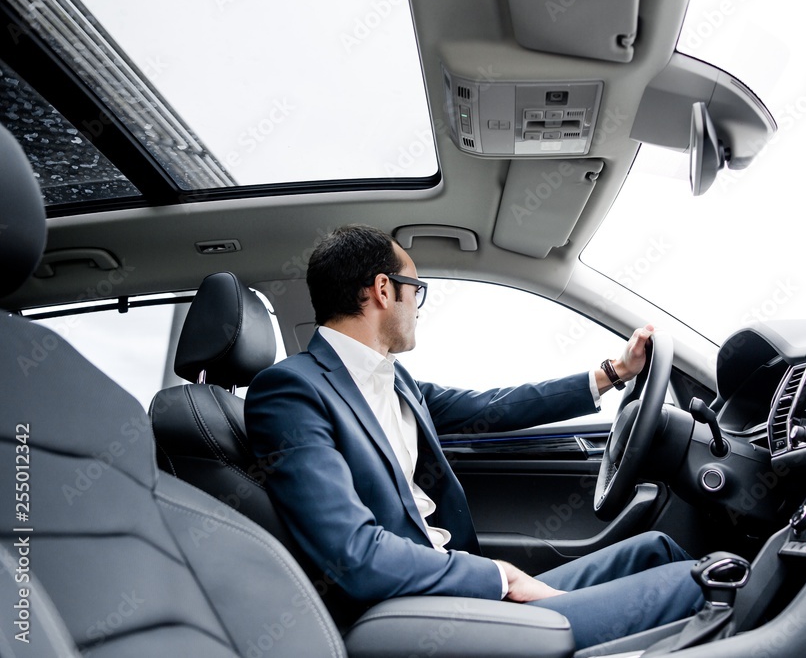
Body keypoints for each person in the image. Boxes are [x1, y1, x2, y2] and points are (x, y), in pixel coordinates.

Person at [245, 224, 704, 649]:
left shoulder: (395, 381)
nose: (418, 308)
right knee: (702, 583)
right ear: (384, 290)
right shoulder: (290, 391)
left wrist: (615, 372)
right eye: (416, 290)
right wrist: (497, 578)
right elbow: (354, 555)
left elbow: (495, 406)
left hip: (453, 587)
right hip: (419, 614)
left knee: (655, 550)